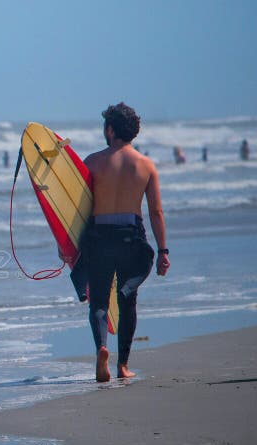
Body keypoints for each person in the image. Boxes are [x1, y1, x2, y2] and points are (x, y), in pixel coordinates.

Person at [80, 102, 170, 382]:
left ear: (109, 129)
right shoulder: (145, 165)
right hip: (131, 237)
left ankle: (101, 349)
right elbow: (155, 211)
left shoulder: (92, 161)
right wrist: (163, 250)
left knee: (99, 301)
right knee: (127, 299)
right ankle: (122, 366)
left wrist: (69, 244)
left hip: (99, 238)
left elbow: (78, 209)